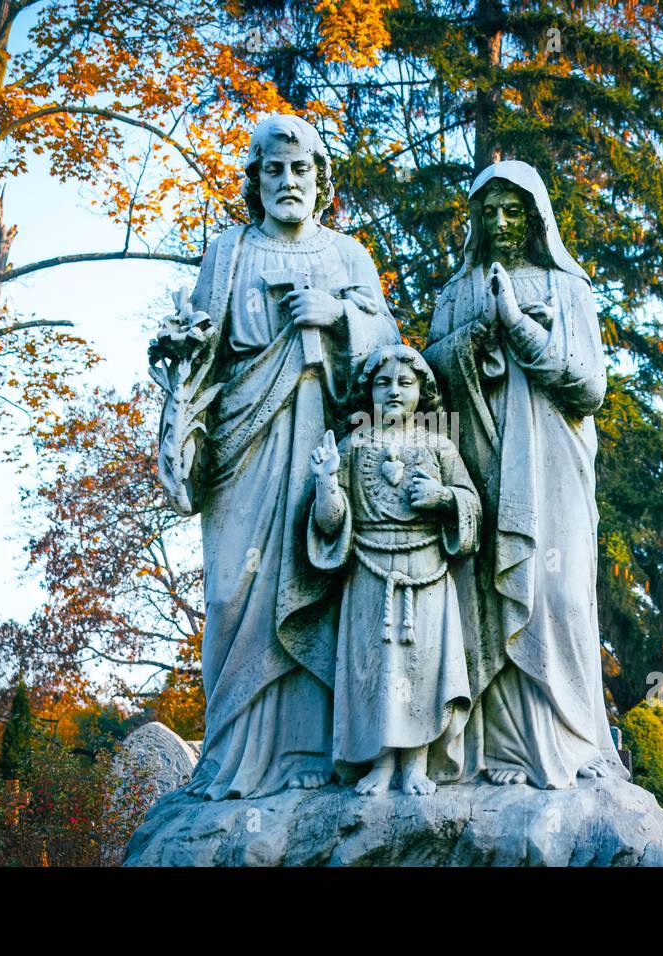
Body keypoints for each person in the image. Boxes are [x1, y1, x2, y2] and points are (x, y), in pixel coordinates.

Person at [150, 115, 400, 799]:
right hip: (244, 447)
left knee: (320, 588)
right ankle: (233, 759)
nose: (288, 181)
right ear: (254, 181)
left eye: (301, 169)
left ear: (321, 180)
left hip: (323, 439)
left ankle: (313, 754)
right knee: (235, 593)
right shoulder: (229, 251)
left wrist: (336, 314)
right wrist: (176, 347)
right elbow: (200, 348)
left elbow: (390, 350)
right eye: (273, 170)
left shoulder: (348, 256)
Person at [423, 160, 625, 789]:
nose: (502, 222)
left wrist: (518, 328)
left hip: (552, 461)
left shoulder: (569, 291)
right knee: (484, 596)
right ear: (476, 221)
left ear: (536, 218)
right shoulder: (455, 294)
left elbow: (589, 388)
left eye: (515, 210)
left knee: (556, 595)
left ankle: (572, 741)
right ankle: (500, 754)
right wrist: (470, 340)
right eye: (490, 210)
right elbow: (425, 386)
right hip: (479, 460)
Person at [307, 345, 480, 796]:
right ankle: (381, 764)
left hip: (427, 575)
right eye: (383, 383)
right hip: (368, 572)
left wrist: (444, 498)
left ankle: (416, 765)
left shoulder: (439, 446)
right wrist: (326, 480)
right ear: (369, 392)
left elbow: (472, 505)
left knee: (423, 670)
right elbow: (330, 522)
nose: (393, 392)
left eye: (405, 383)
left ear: (422, 391)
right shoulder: (352, 446)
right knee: (375, 670)